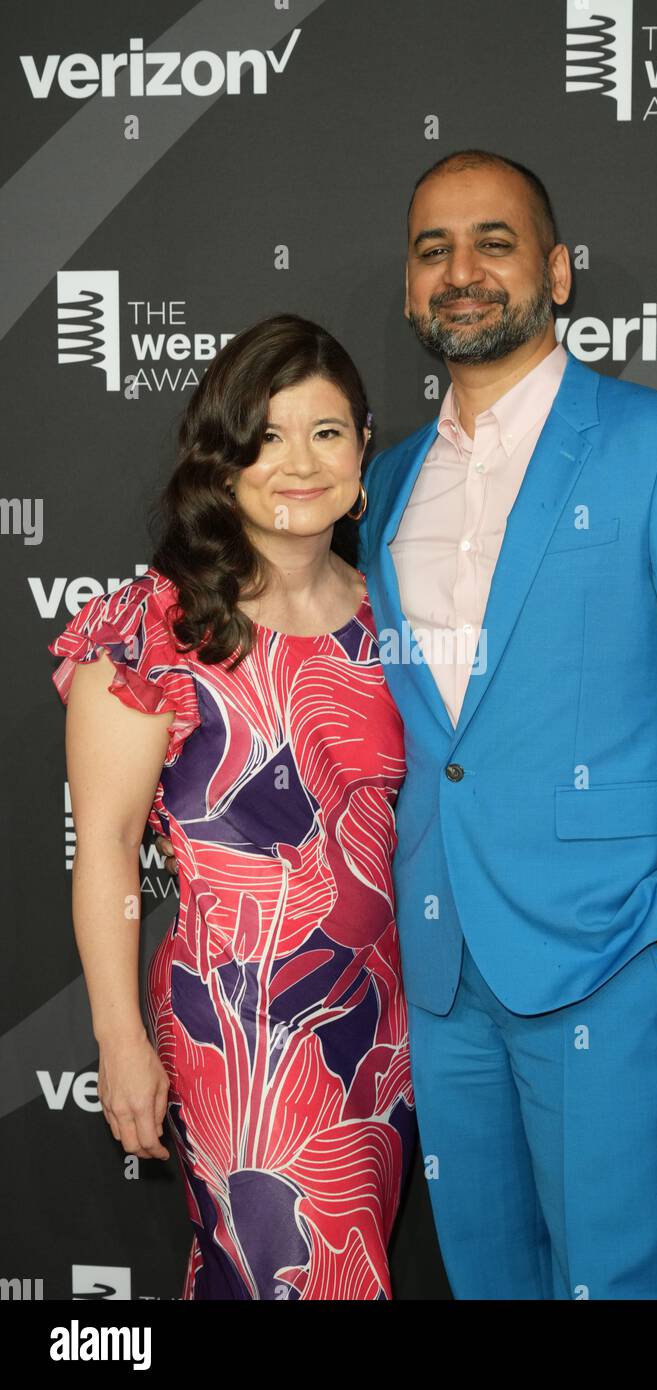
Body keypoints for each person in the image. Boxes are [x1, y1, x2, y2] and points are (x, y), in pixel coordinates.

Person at [159, 149, 657, 1301]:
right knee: (487, 1278)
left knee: (625, 1281)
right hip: (434, 969)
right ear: (408, 292)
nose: (461, 271)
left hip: (612, 958)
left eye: (492, 241)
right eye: (432, 249)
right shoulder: (379, 481)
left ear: (553, 269)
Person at [48, 314, 415, 1300]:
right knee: (292, 1270)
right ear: (221, 461)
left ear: (363, 448)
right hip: (240, 1030)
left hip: (387, 1024)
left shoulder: (398, 614)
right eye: (265, 437)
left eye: (325, 432)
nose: (297, 463)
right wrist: (119, 1038)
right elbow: (110, 848)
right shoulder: (147, 630)